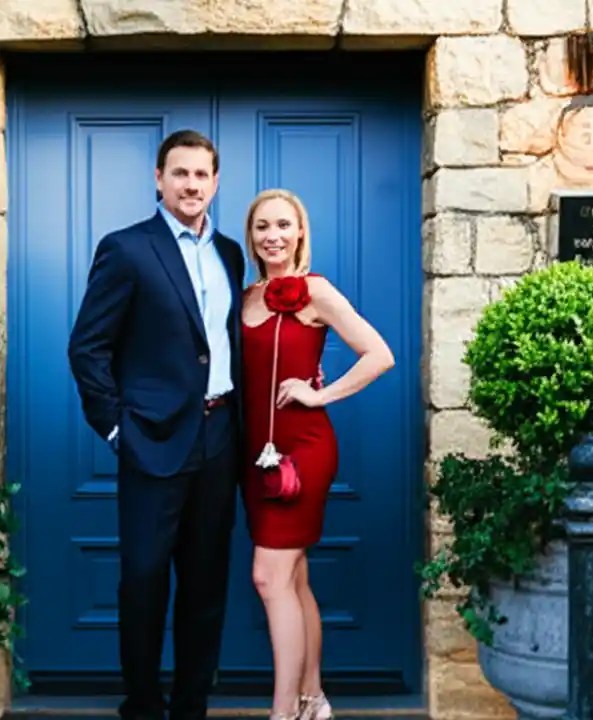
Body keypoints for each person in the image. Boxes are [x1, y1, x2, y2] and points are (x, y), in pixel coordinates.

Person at [67, 129, 245, 720]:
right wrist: (117, 429)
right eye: (180, 173)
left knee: (205, 583)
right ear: (159, 179)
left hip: (219, 438)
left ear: (215, 182)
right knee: (143, 580)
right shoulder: (127, 249)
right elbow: (88, 347)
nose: (191, 185)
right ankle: (142, 703)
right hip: (151, 440)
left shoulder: (230, 253)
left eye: (201, 175)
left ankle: (191, 706)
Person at [239, 189, 394, 720]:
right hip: (256, 455)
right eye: (262, 226)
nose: (273, 236)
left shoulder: (315, 290)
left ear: (300, 231)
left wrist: (320, 394)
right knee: (294, 577)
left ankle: (283, 712)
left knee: (269, 577)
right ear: (251, 234)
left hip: (302, 452)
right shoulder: (246, 295)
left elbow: (379, 355)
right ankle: (313, 699)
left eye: (284, 225)